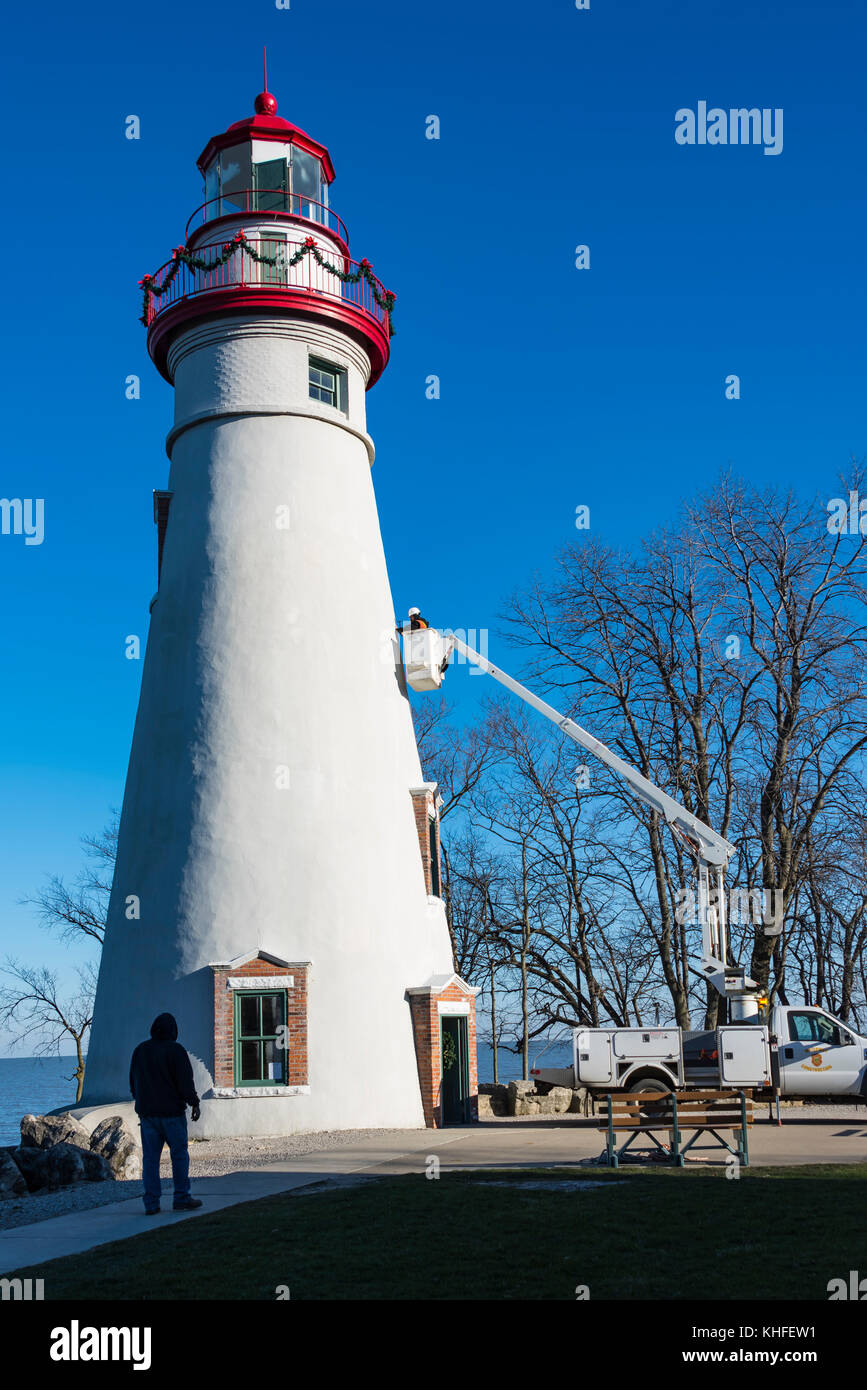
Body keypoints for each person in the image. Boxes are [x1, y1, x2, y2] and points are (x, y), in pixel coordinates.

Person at [129, 1012, 202, 1215]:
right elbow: (185, 1082)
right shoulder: (176, 1051)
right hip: (172, 1114)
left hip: (147, 1115)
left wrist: (141, 1101)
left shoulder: (140, 1051)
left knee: (150, 1160)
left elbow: (133, 1081)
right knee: (179, 1156)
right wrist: (194, 1103)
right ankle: (181, 1198)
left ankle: (151, 1203)